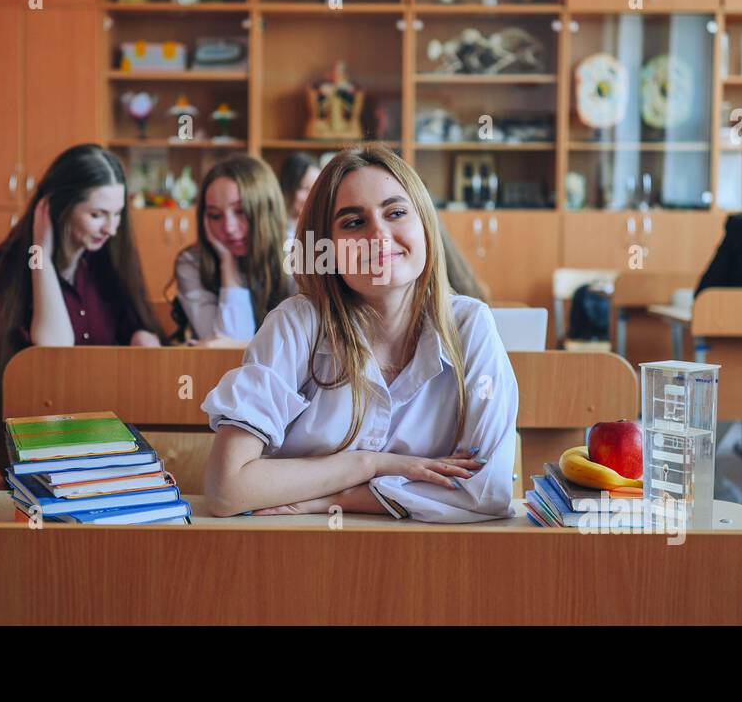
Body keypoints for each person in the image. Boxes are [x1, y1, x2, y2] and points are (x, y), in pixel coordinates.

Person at [200, 144, 518, 523]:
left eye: (396, 213)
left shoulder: (470, 325)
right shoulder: (294, 325)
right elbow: (225, 489)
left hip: (429, 561)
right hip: (295, 557)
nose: (378, 235)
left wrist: (336, 498)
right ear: (326, 247)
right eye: (353, 222)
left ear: (425, 226)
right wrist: (370, 464)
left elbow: (487, 492)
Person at [0, 144, 163, 471]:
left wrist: (141, 335)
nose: (111, 228)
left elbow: (132, 326)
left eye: (118, 214)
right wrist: (42, 253)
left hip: (106, 429)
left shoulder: (105, 261)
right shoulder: (6, 265)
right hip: (39, 436)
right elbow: (55, 350)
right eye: (97, 215)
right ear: (56, 208)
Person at [172, 155, 294, 343]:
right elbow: (225, 354)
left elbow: (303, 351)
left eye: (241, 211)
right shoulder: (192, 262)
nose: (228, 227)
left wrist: (236, 345)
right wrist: (228, 268)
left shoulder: (296, 253)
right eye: (215, 215)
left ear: (267, 210)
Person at [278, 151, 320, 238]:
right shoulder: (274, 228)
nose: (312, 196)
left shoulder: (320, 225)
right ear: (287, 187)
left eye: (315, 189)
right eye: (305, 188)